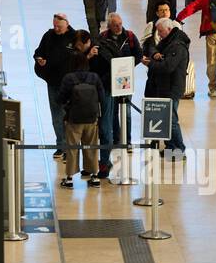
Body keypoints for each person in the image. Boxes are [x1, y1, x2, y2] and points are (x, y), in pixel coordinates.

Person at [56, 34, 106, 188]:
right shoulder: (94, 77)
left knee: (72, 147)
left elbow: (61, 98)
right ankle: (94, 176)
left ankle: (70, 178)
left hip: (73, 119)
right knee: (91, 146)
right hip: (91, 118)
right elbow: (102, 97)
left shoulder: (69, 78)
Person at [97, 12, 143, 177]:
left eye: (120, 24)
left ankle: (127, 140)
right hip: (109, 80)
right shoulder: (102, 37)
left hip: (125, 79)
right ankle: (117, 139)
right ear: (109, 26)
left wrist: (127, 65)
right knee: (113, 111)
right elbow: (103, 57)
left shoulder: (129, 36)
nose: (119, 27)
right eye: (115, 25)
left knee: (127, 110)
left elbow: (138, 53)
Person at [141, 18, 189, 156]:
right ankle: (170, 148)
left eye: (161, 32)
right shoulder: (167, 41)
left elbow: (168, 67)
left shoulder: (177, 46)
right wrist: (155, 54)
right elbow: (153, 48)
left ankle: (179, 150)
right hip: (164, 86)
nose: (159, 35)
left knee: (172, 120)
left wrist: (150, 64)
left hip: (172, 88)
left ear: (169, 29)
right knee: (166, 119)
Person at [33, 13, 77, 159]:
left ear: (67, 23)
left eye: (59, 26)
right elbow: (38, 52)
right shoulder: (49, 36)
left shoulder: (75, 36)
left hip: (70, 84)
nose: (56, 29)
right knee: (56, 115)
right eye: (54, 26)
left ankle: (71, 147)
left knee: (69, 116)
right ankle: (61, 145)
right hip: (53, 82)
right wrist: (39, 59)